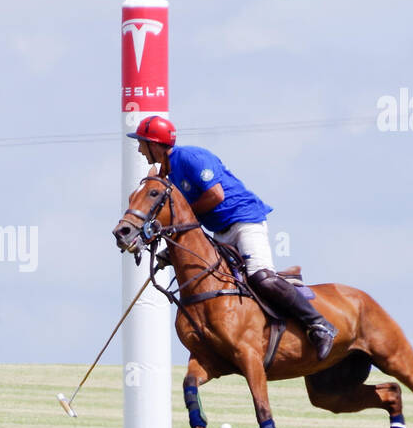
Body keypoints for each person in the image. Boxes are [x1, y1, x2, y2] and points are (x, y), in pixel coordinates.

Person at [127, 114, 337, 360]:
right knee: (213, 276)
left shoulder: (190, 157)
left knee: (260, 276)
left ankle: (319, 324)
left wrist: (185, 217)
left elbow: (215, 195)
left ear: (155, 143)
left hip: (245, 220)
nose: (140, 149)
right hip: (220, 231)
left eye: (142, 143)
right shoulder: (167, 174)